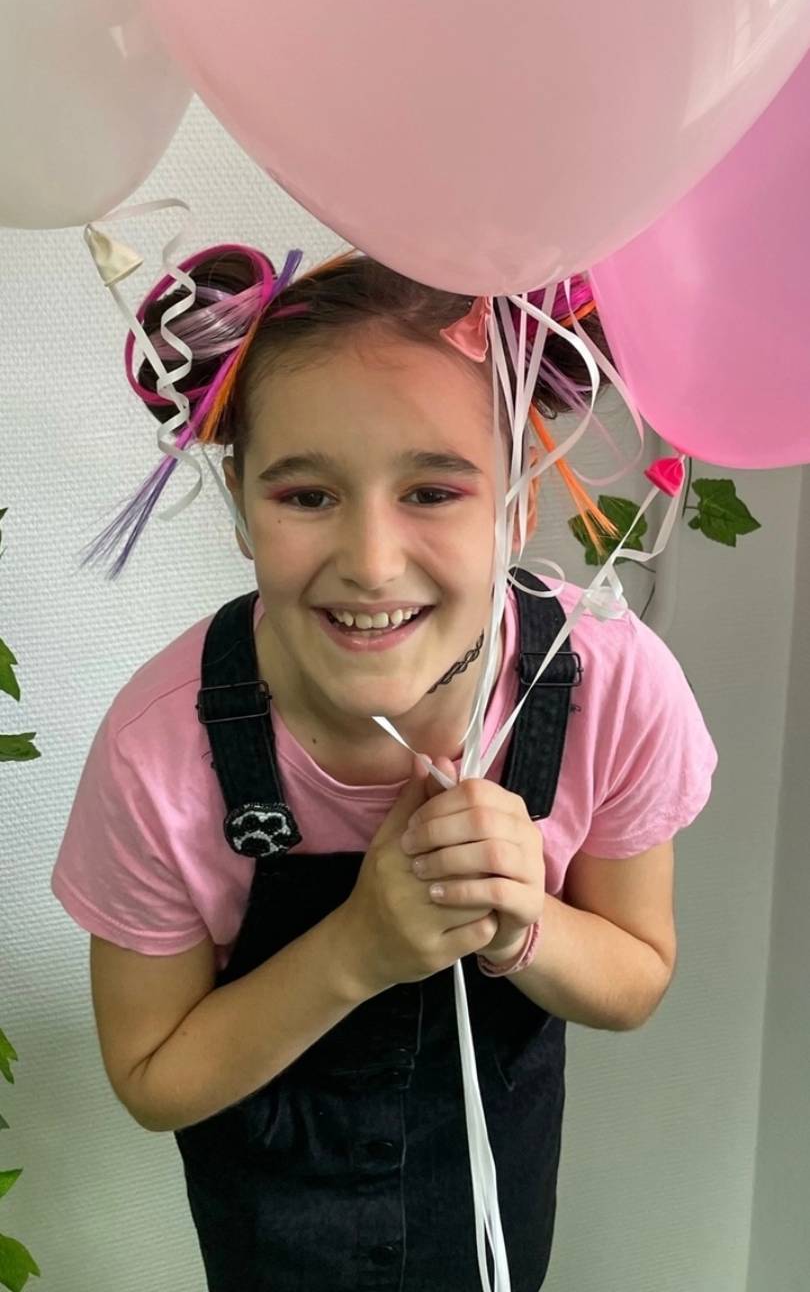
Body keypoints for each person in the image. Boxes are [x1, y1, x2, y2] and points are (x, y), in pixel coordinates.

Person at [51, 248, 717, 1292]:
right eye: (308, 494)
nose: (370, 561)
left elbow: (637, 975)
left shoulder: (612, 691)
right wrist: (361, 947)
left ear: (519, 505)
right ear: (241, 507)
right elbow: (150, 1073)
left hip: (496, 1237)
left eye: (434, 490)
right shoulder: (161, 754)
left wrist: (522, 924)